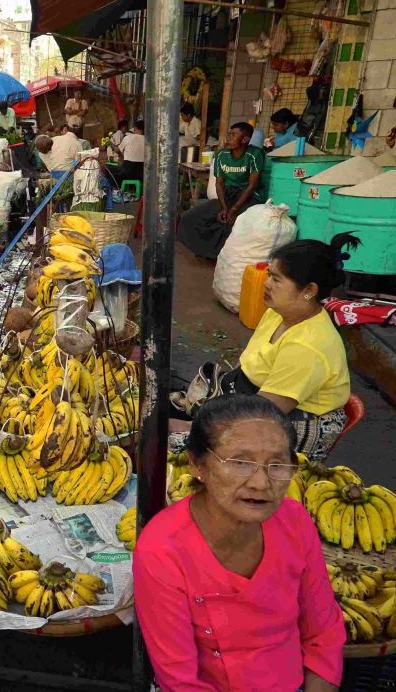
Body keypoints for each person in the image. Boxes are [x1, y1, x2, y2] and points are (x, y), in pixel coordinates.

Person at [136, 395, 344, 691]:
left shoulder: (294, 521)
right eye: (240, 462)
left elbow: (323, 632)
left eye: (277, 464)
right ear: (198, 465)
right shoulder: (162, 550)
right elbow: (180, 680)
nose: (261, 483)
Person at [171, 233, 360, 459]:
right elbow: (249, 363)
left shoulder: (307, 347)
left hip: (289, 421)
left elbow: (263, 415)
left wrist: (191, 429)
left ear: (309, 290)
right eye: (269, 275)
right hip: (258, 400)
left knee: (179, 449)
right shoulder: (277, 312)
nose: (267, 283)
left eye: (277, 279)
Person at [178, 122, 264, 259]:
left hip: (248, 196)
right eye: (228, 135)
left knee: (234, 223)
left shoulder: (255, 154)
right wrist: (224, 207)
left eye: (233, 135)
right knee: (191, 217)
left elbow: (252, 185)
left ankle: (222, 256)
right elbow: (219, 183)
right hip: (228, 195)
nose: (228, 139)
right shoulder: (221, 155)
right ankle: (205, 250)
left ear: (245, 139)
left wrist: (233, 210)